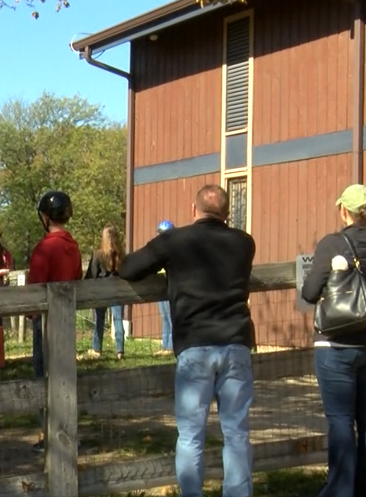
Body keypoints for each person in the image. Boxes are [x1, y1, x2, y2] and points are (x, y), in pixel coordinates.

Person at [118, 184, 256, 497]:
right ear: (226, 214)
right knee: (236, 433)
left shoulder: (175, 240)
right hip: (235, 341)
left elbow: (130, 268)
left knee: (191, 434)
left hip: (195, 343)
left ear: (194, 211)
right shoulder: (244, 243)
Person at [301, 184, 366, 497]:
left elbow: (309, 293)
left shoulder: (333, 243)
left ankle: (340, 491)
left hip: (336, 345)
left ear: (344, 211)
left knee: (341, 421)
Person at [27, 190, 82, 453]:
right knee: (65, 375)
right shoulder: (73, 246)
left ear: (46, 217)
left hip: (46, 321)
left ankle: (48, 435)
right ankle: (68, 431)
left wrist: (31, 314)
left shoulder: (44, 248)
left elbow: (35, 286)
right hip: (68, 320)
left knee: (43, 376)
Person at [84, 224, 126, 360]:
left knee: (99, 320)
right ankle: (120, 351)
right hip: (118, 289)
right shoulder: (121, 254)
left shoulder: (98, 254)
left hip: (101, 290)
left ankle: (97, 349)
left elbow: (93, 273)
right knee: (118, 319)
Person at [156, 220, 175, 355]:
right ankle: (164, 345)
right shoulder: (159, 248)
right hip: (160, 285)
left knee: (170, 316)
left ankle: (171, 346)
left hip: (170, 285)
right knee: (164, 317)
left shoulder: (173, 249)